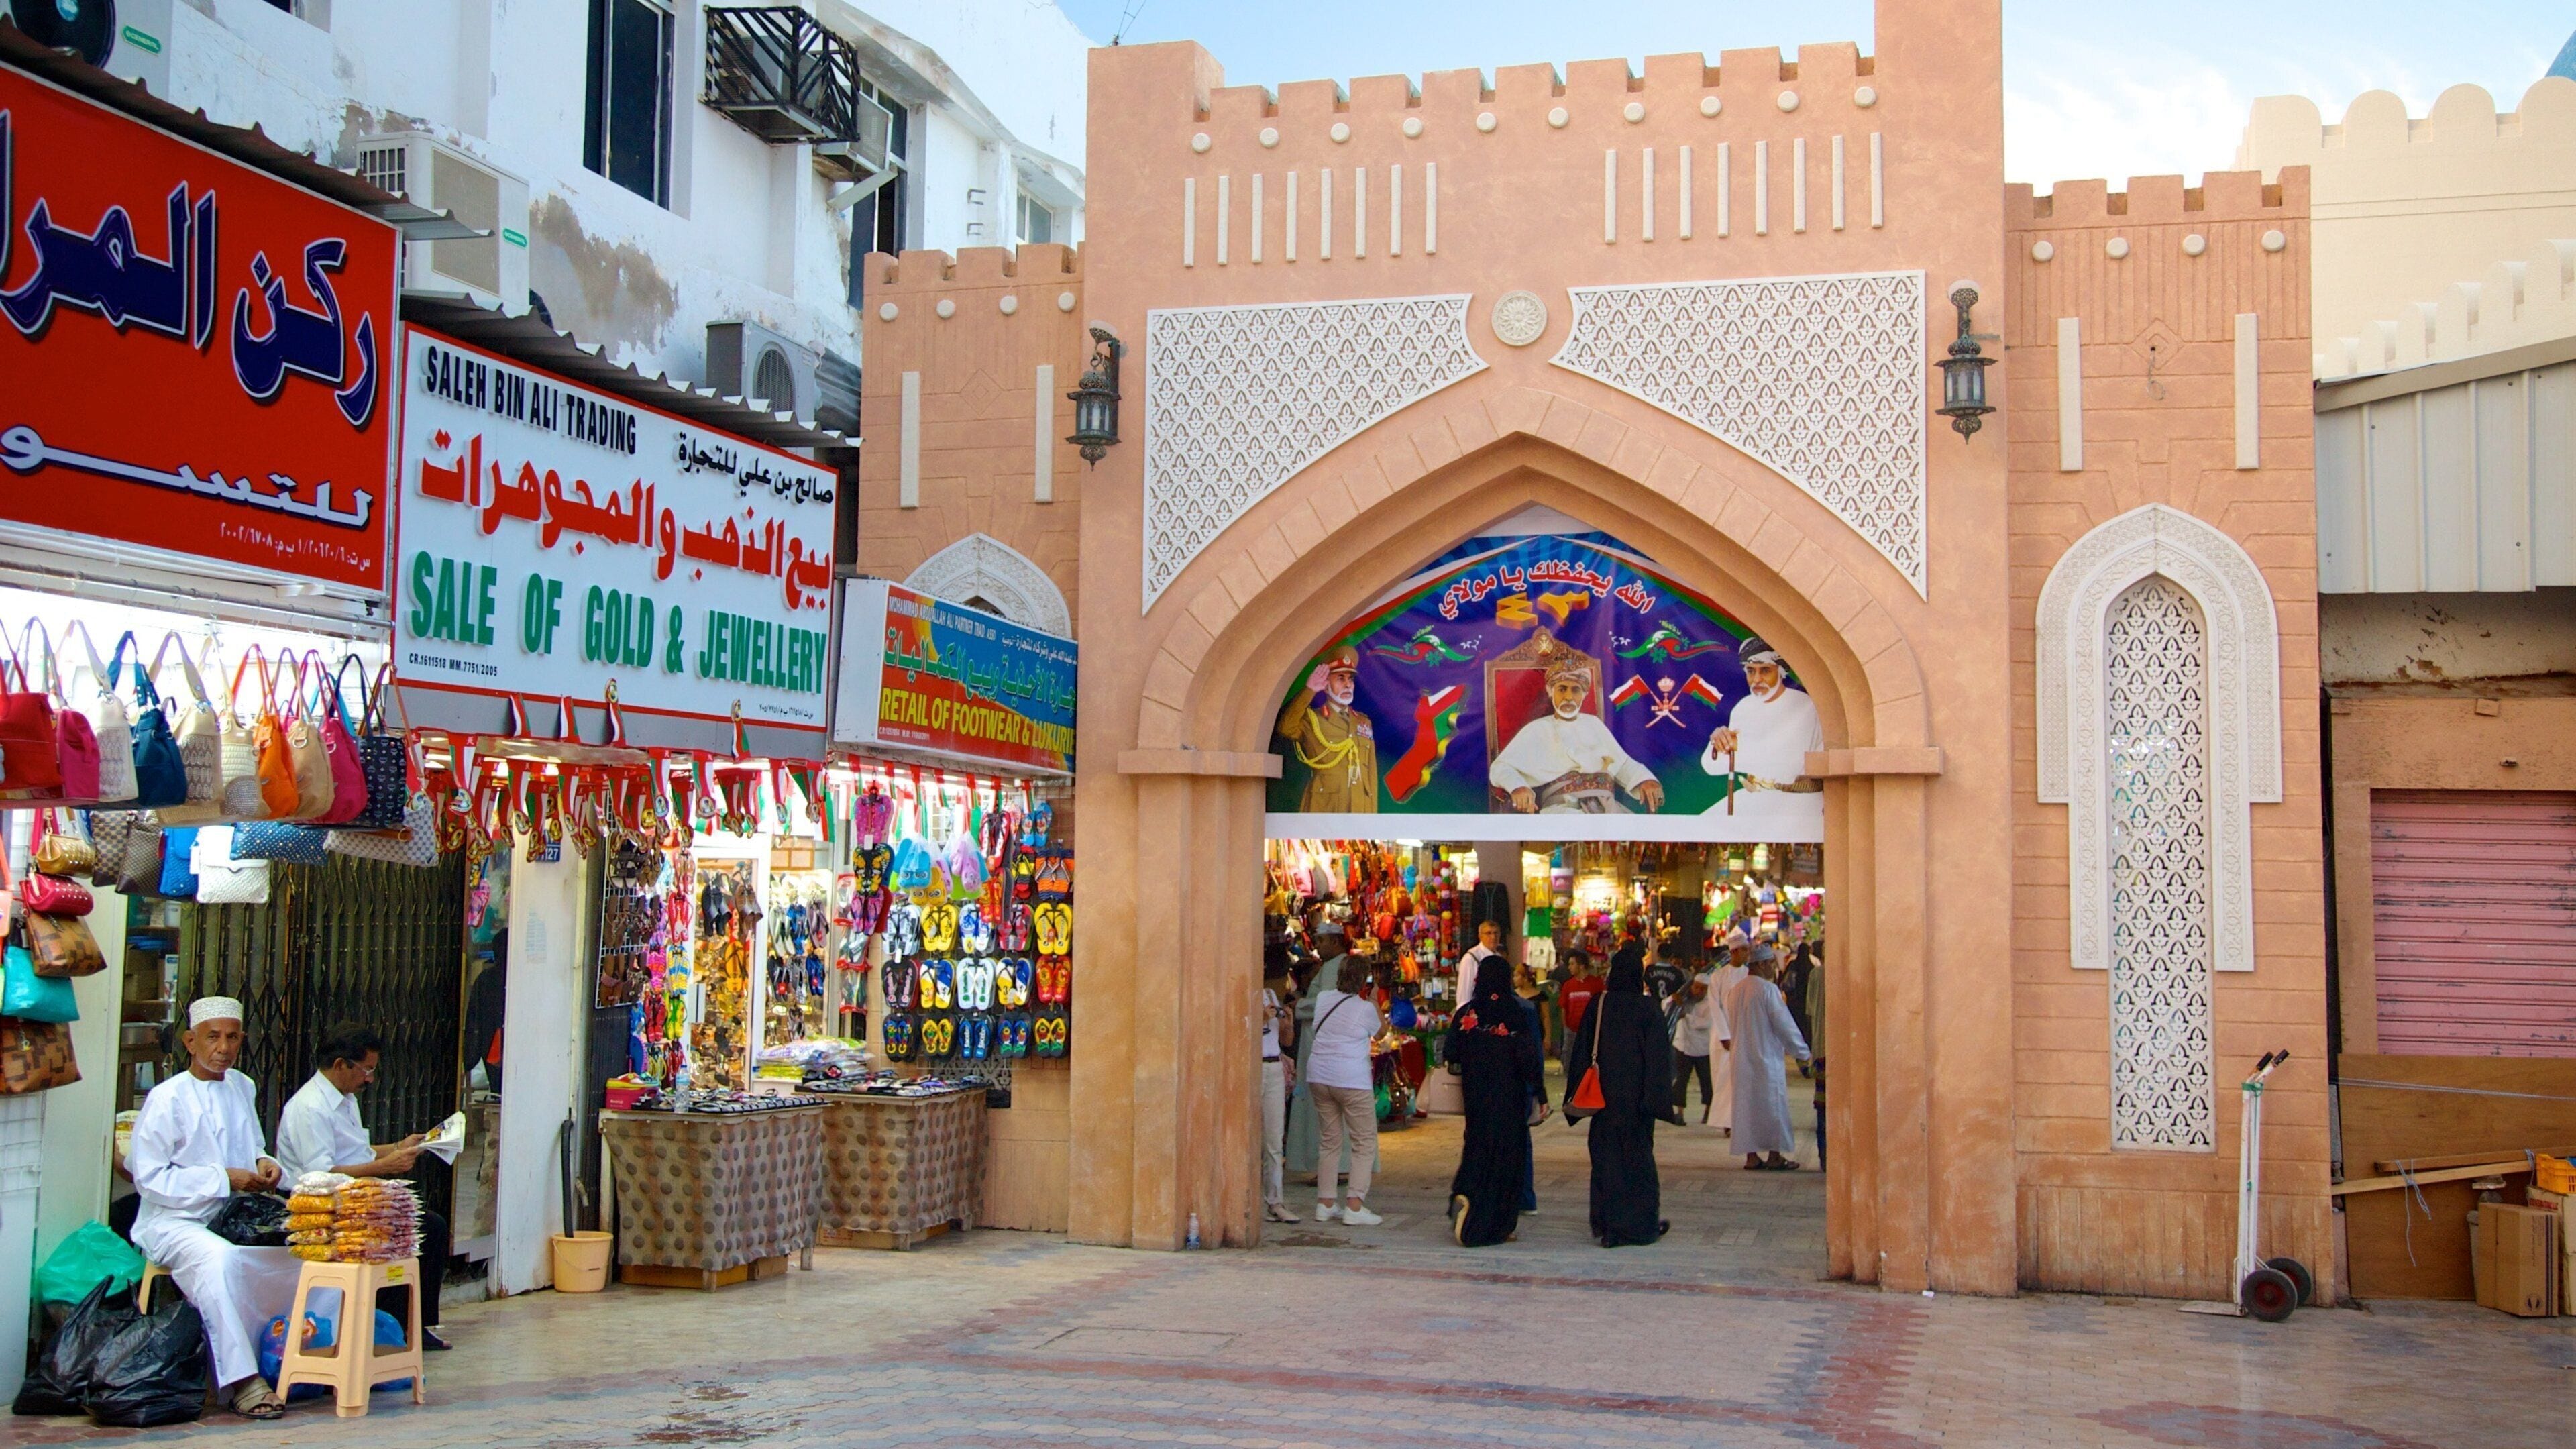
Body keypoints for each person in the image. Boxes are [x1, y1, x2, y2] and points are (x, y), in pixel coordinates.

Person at [125, 998, 303, 1419]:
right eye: (212, 1037)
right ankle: (243, 1380)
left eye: (232, 1037)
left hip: (234, 1215)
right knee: (220, 1260)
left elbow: (254, 1146)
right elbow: (148, 1179)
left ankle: (295, 1362)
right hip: (174, 1221)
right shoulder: (167, 1099)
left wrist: (265, 1165)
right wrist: (224, 1178)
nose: (223, 1047)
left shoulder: (241, 1086)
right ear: (190, 1041)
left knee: (298, 1253)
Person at [274, 1023, 455, 1349]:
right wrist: (382, 1167)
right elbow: (323, 1174)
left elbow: (361, 1152)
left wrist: (400, 1147)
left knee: (428, 1227)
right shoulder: (309, 1108)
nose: (369, 1079)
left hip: (354, 1198)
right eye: (366, 1069)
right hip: (321, 1207)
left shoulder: (345, 1099)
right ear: (341, 1065)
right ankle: (400, 1324)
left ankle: (414, 1323)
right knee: (426, 1227)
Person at [1562, 942, 1680, 1246]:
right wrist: (1659, 1099)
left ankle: (1606, 1224)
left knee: (1606, 1160)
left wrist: (1573, 1093)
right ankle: (1639, 1225)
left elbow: (1582, 1052)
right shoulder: (1647, 1008)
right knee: (1638, 1161)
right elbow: (1659, 1059)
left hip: (1603, 1099)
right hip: (1636, 1102)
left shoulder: (1599, 1004)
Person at [1445, 954, 1546, 1246]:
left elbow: (1451, 1053)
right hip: (1511, 1101)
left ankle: (1469, 1198)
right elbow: (1529, 1058)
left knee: (1478, 1150)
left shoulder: (1467, 1013)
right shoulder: (1516, 1013)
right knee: (1508, 1162)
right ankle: (1501, 1226)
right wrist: (1540, 1094)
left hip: (1477, 1099)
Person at [1490, 646, 1665, 814]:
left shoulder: (1594, 725)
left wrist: (1645, 780)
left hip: (1607, 809)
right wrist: (1518, 787)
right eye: (1562, 689)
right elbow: (1501, 767)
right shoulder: (1537, 729)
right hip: (1562, 811)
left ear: (1584, 694)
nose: (1568, 697)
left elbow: (1622, 764)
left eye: (1576, 690)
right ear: (1551, 692)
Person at [1303, 925, 1386, 1226]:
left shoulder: (1325, 999)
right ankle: (1354, 1206)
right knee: (1364, 1142)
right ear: (1364, 980)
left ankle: (1325, 1204)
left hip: (1319, 1076)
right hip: (1351, 1079)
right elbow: (1382, 1033)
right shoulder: (1365, 1008)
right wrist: (1375, 1001)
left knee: (1330, 1140)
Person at [1701, 637, 1825, 826]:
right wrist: (1717, 743)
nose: (1757, 679)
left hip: (1797, 804)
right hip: (1755, 798)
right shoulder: (1744, 707)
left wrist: (1737, 748)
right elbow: (1712, 767)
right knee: (1700, 827)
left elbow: (1787, 769)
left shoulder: (1804, 706)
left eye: (1765, 670)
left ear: (1781, 671)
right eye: (1751, 671)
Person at [1725, 954, 1814, 1169]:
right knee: (1773, 1108)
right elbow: (1785, 1025)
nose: (1774, 969)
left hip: (1740, 1059)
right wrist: (1803, 1053)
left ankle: (1752, 1156)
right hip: (1765, 1060)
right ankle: (1775, 1156)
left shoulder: (1735, 991)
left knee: (1746, 1108)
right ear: (1762, 964)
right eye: (1772, 965)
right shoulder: (1768, 990)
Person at [1277, 648, 1378, 812]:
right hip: (1325, 807)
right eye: (1340, 678)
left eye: (1350, 679)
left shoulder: (1363, 722)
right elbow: (1286, 728)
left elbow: (1371, 773)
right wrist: (1310, 690)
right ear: (1326, 686)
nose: (1348, 685)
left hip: (1361, 808)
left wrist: (1372, 815)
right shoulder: (1312, 719)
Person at [1258, 950, 1300, 1224]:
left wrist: (1287, 1022)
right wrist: (1261, 1018)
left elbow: (1286, 1041)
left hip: (1273, 1066)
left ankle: (1275, 1201)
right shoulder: (1235, 993)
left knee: (1274, 1140)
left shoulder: (1271, 996)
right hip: (1250, 1066)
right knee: (1248, 1139)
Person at [1668, 967, 1726, 1124]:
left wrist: (1685, 1015)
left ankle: (1708, 1110)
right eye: (1695, 987)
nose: (1698, 991)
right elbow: (1665, 1006)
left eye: (1702, 989)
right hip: (1683, 1046)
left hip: (1702, 1048)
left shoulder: (1711, 1003)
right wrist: (1674, 1000)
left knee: (1706, 1081)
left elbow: (1704, 1023)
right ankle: (1679, 1113)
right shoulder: (1684, 998)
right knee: (1681, 1080)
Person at [1707, 941, 1753, 1134]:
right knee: (1723, 1081)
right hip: (1722, 1036)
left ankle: (1740, 1122)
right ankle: (1726, 1123)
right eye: (1744, 950)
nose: (1747, 954)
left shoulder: (1749, 975)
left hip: (1743, 1034)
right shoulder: (1718, 976)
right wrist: (1725, 1035)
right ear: (1734, 951)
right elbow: (1715, 1006)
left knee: (1742, 1082)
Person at [1557, 949, 1604, 1072]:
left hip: (1590, 1030)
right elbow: (1564, 1007)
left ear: (1582, 966)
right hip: (1572, 1030)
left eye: (1572, 964)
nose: (1569, 967)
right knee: (1568, 1056)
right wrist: (1566, 1027)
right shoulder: (1568, 985)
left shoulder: (1596, 984)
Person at [1454, 918, 1505, 1015]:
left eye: (1496, 933)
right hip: (1476, 1013)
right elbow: (1464, 993)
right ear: (1480, 936)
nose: (1493, 937)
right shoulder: (1471, 958)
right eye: (1488, 933)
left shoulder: (1499, 958)